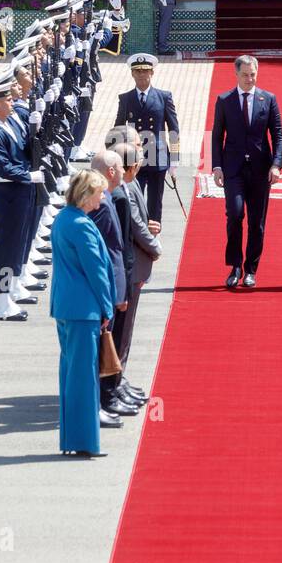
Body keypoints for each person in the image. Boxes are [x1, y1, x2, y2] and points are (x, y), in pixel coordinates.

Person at [50, 170, 116, 457]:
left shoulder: (64, 218)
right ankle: (85, 441)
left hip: (66, 305)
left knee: (71, 374)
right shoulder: (81, 225)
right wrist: (107, 306)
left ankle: (73, 438)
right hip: (83, 309)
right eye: (99, 193)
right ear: (87, 195)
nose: (101, 199)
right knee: (84, 378)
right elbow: (96, 269)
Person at [211, 55, 282, 289]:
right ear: (236, 74)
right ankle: (235, 266)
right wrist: (217, 166)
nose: (249, 79)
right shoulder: (225, 100)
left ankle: (251, 269)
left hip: (261, 170)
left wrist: (276, 164)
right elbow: (217, 136)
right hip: (233, 169)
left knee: (256, 222)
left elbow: (278, 134)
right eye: (245, 75)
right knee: (234, 215)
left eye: (253, 74)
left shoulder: (268, 99)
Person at [0, 80, 42, 321]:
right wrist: (28, 176)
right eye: (7, 100)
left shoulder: (9, 124)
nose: (12, 103)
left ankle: (13, 289)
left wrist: (37, 128)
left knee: (19, 243)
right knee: (7, 248)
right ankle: (2, 301)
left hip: (21, 190)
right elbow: (1, 166)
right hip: (9, 192)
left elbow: (25, 147)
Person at [112, 136, 159, 409]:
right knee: (120, 330)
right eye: (137, 147)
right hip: (127, 269)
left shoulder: (132, 183)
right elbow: (134, 227)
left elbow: (140, 220)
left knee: (125, 331)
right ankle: (113, 384)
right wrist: (155, 247)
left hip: (133, 267)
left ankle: (119, 378)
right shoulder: (122, 190)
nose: (142, 151)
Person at [90, 150, 136, 419]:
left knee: (109, 341)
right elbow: (108, 252)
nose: (123, 171)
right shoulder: (103, 203)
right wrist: (117, 292)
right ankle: (105, 397)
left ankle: (110, 392)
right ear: (110, 172)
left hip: (112, 284)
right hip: (107, 287)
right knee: (104, 343)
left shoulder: (106, 198)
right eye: (119, 168)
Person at [115, 53, 180, 222]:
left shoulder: (164, 97)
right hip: (134, 158)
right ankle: (135, 232)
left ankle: (154, 233)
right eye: (138, 71)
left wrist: (174, 159)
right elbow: (118, 130)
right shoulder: (126, 98)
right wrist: (117, 157)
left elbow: (173, 130)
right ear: (132, 73)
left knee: (155, 203)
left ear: (152, 72)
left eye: (145, 71)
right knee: (133, 200)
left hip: (157, 156)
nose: (142, 75)